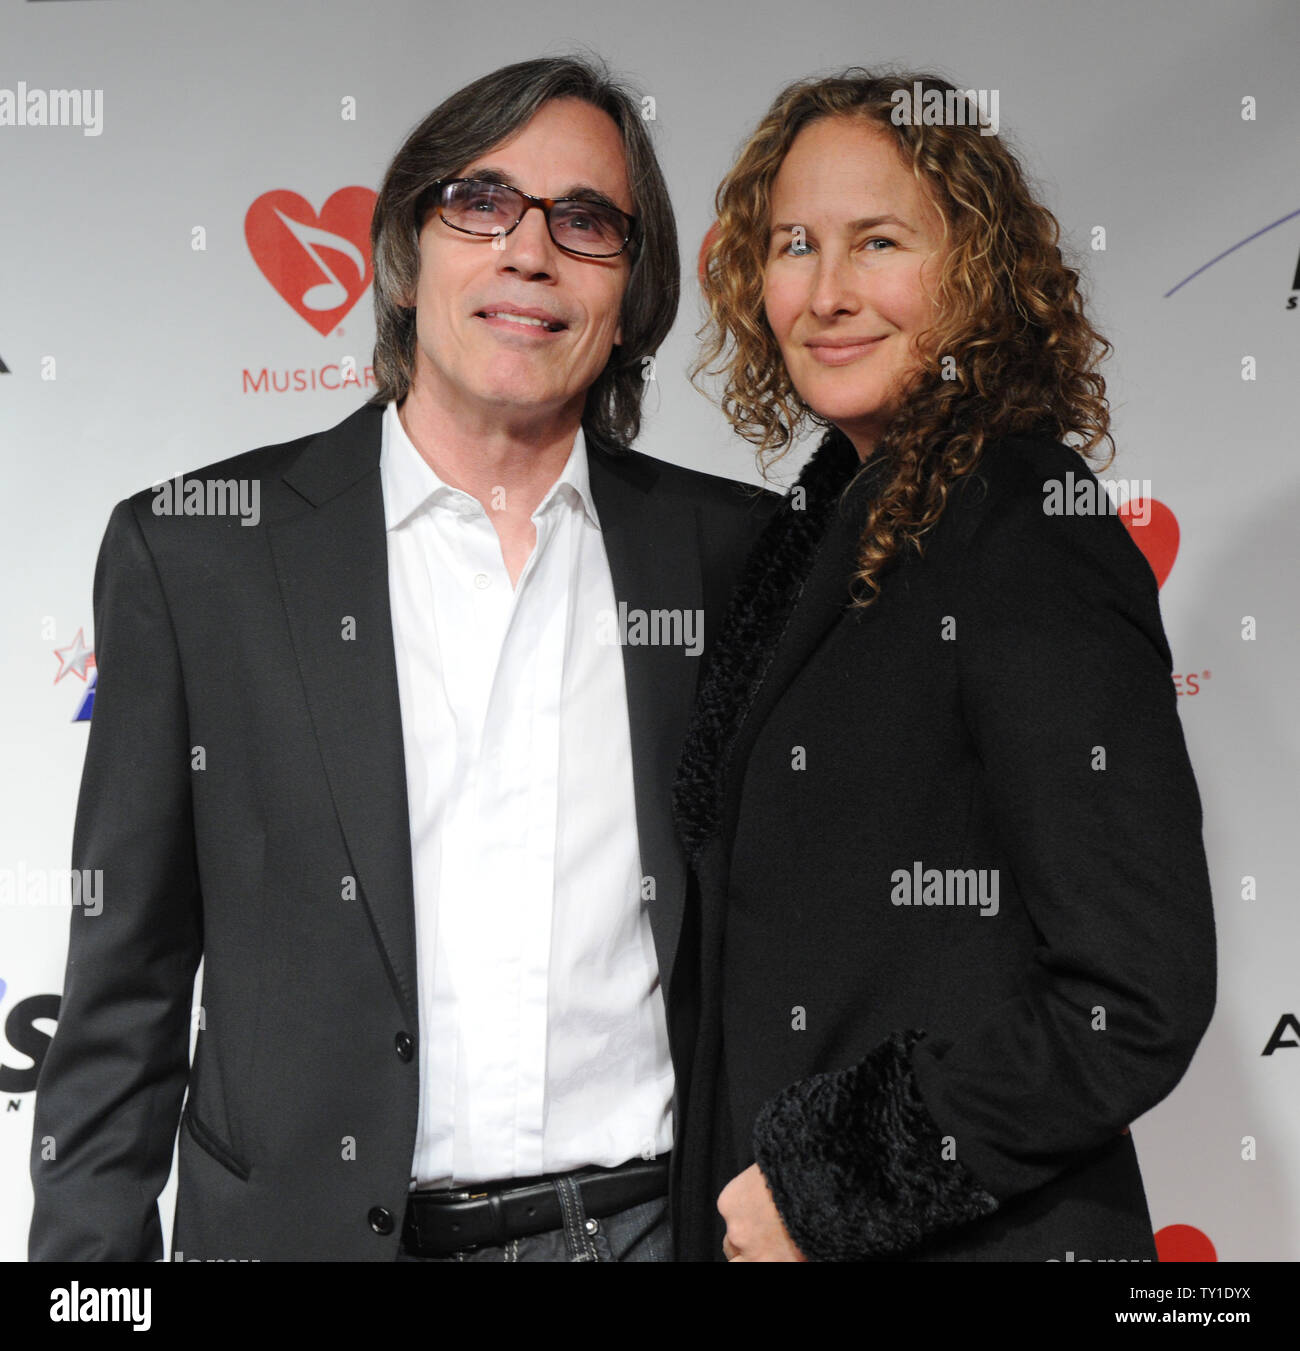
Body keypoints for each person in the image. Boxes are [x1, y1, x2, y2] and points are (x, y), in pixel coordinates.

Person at [28, 54, 774, 1263]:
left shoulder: (735, 557)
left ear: (631, 290)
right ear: (403, 247)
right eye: (482, 203)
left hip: (654, 1231)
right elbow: (126, 986)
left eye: (584, 221)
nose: (529, 252)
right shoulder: (198, 555)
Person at [671, 68, 1216, 1263]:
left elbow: (1133, 996)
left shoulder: (1026, 525)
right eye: (792, 243)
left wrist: (827, 1185)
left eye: (878, 242)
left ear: (975, 270)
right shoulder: (832, 525)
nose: (824, 291)